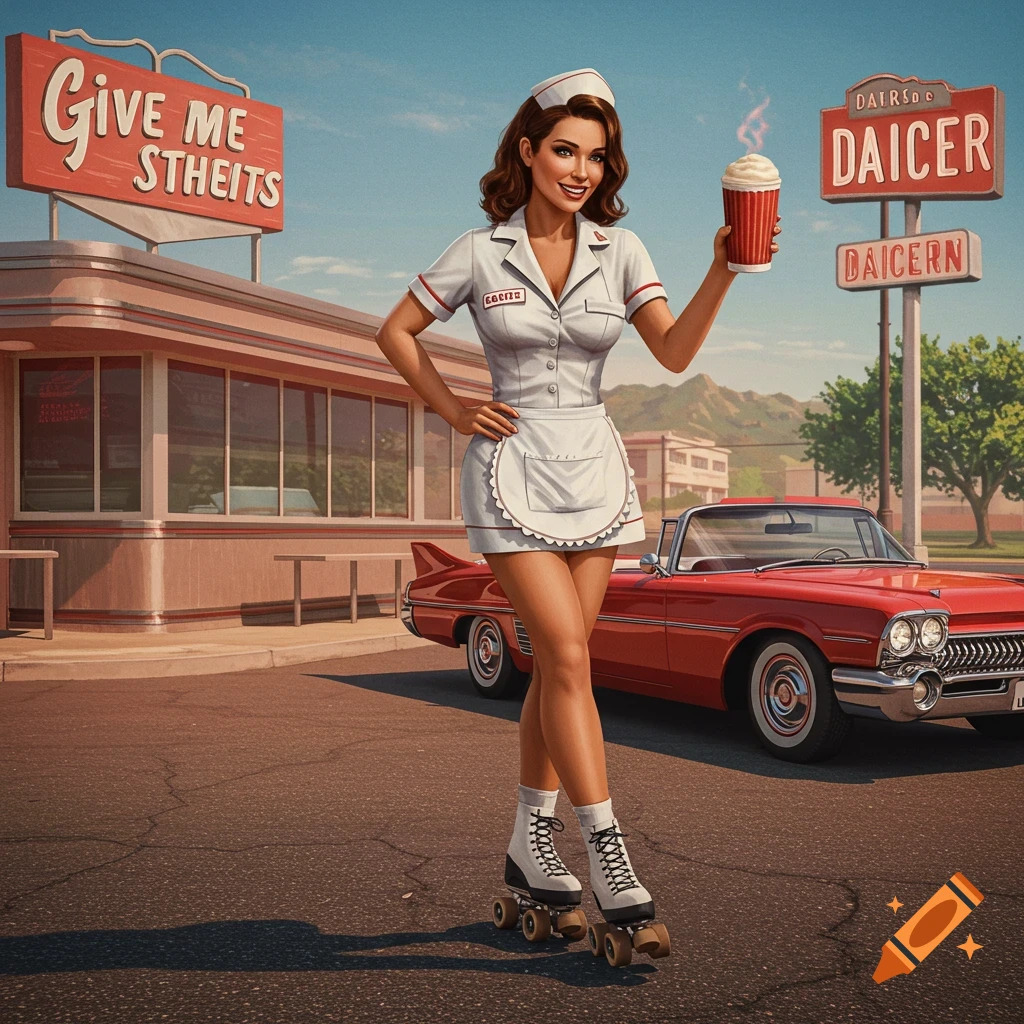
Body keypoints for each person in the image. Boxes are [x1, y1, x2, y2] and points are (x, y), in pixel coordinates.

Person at [375, 68, 779, 955]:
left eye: (596, 156)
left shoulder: (620, 253)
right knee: (562, 655)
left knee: (565, 668)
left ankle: (530, 846)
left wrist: (723, 268)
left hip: (595, 472)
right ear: (527, 151)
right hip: (509, 470)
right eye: (564, 149)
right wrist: (451, 408)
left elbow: (673, 353)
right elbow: (395, 332)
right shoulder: (479, 253)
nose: (581, 169)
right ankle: (609, 857)